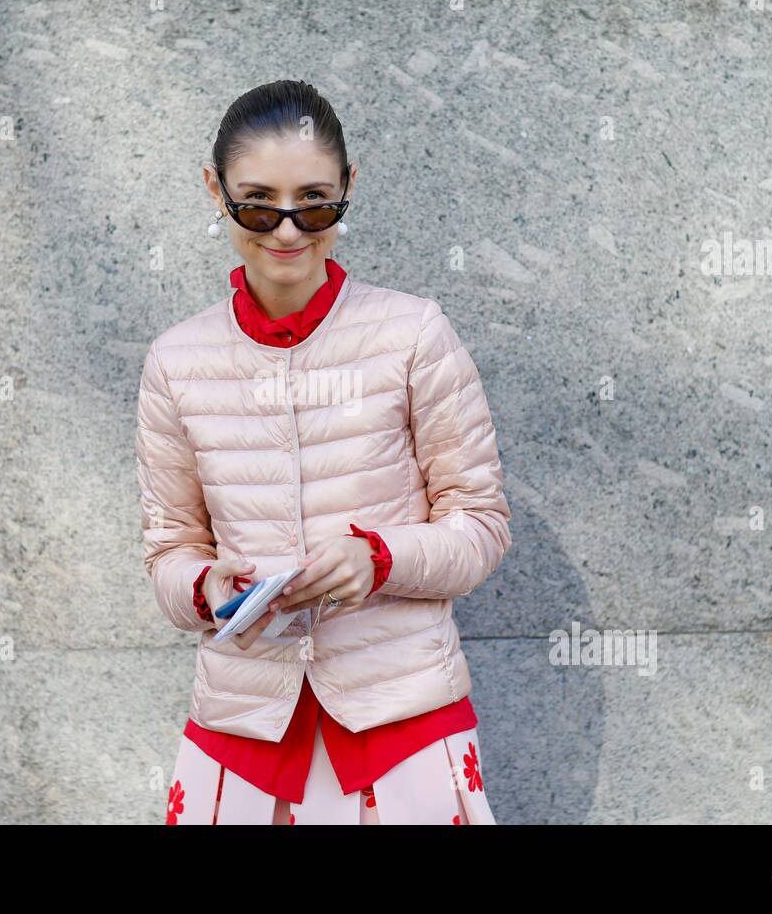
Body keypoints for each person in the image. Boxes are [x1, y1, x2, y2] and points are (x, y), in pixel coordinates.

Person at [136, 79, 512, 824]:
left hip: (400, 722)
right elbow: (169, 550)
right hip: (243, 732)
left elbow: (481, 528)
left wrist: (379, 558)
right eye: (256, 203)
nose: (285, 230)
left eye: (313, 202)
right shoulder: (176, 361)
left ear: (349, 188)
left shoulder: (413, 334)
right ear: (215, 192)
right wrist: (204, 587)